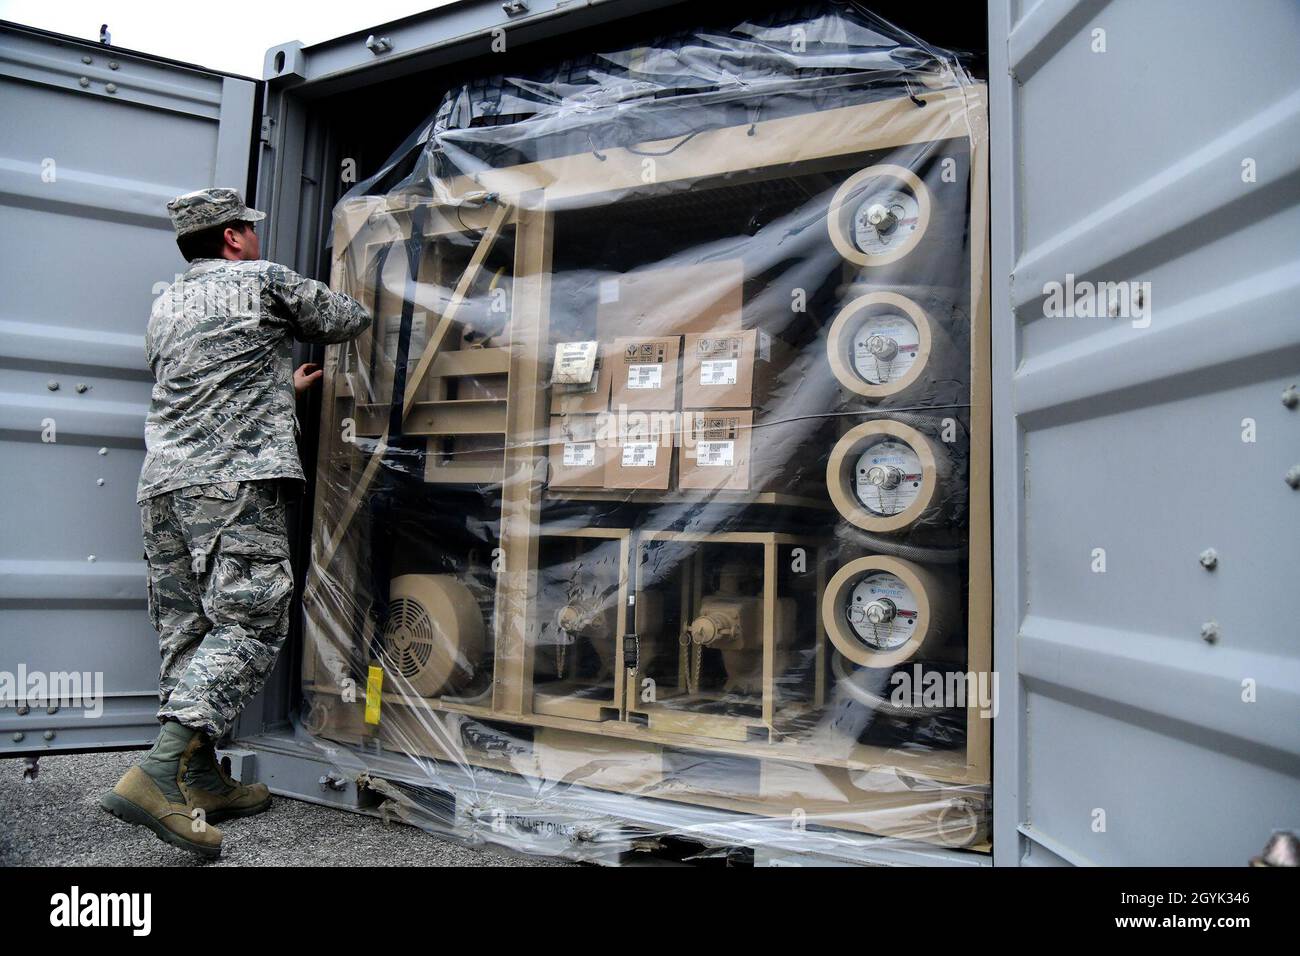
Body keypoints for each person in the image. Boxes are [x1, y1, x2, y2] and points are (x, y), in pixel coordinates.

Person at [100, 188, 371, 858]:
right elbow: (347, 317)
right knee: (250, 618)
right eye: (249, 229)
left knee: (186, 630)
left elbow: (204, 385)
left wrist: (279, 388)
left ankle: (202, 777)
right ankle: (158, 773)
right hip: (234, 485)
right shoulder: (264, 279)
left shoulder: (165, 303)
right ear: (232, 237)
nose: (253, 237)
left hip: (163, 486)